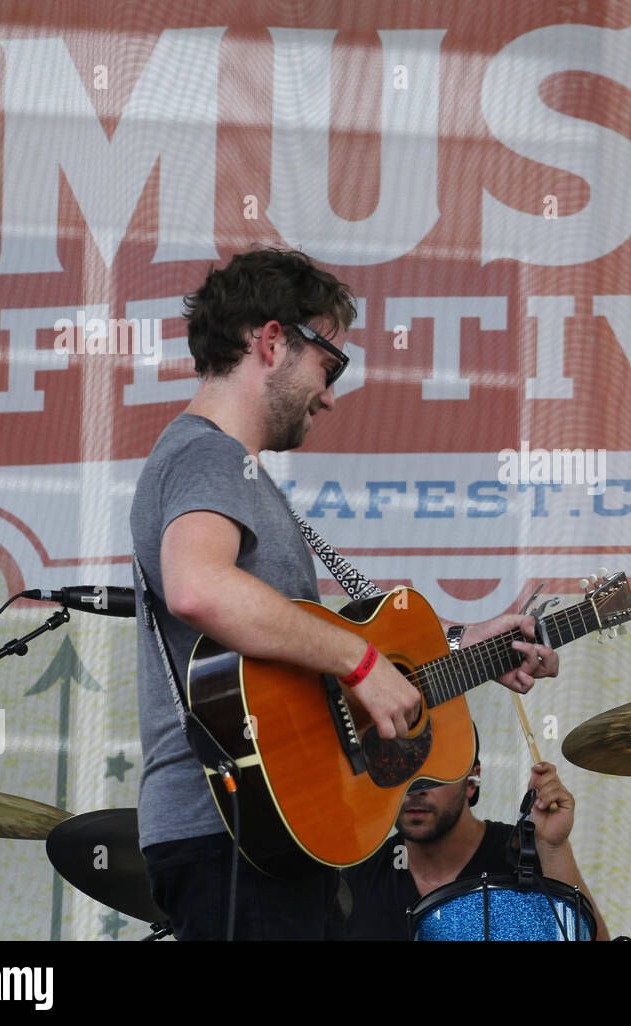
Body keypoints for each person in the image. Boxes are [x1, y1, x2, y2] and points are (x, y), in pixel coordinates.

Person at [129, 248, 559, 940]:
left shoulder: (239, 473)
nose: (330, 395)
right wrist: (361, 663)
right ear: (272, 342)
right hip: (234, 836)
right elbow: (199, 588)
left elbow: (295, 664)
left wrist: (460, 649)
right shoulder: (207, 455)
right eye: (331, 365)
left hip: (275, 831)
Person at [337, 738, 608, 940]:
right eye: (399, 770)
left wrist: (553, 847)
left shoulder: (523, 855)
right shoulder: (357, 878)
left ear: (470, 782)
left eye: (434, 771)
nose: (415, 790)